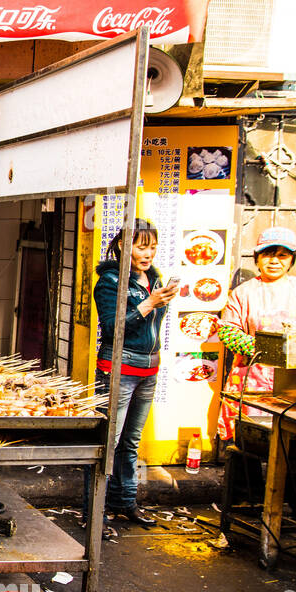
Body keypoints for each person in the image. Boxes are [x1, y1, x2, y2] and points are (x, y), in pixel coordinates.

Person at [87, 220, 179, 525]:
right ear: (124, 246)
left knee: (130, 443)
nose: (148, 253)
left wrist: (158, 298)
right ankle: (94, 512)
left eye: (152, 246)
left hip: (148, 368)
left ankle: (125, 502)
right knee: (107, 442)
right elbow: (113, 327)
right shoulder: (111, 281)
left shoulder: (154, 279)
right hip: (119, 368)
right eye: (141, 246)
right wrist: (149, 303)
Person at [217, 227, 296, 440]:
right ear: (257, 258)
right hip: (251, 378)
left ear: (291, 260)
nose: (274, 261)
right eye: (268, 254)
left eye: (282, 255)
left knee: (293, 440)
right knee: (248, 440)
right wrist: (264, 349)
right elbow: (228, 330)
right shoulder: (243, 293)